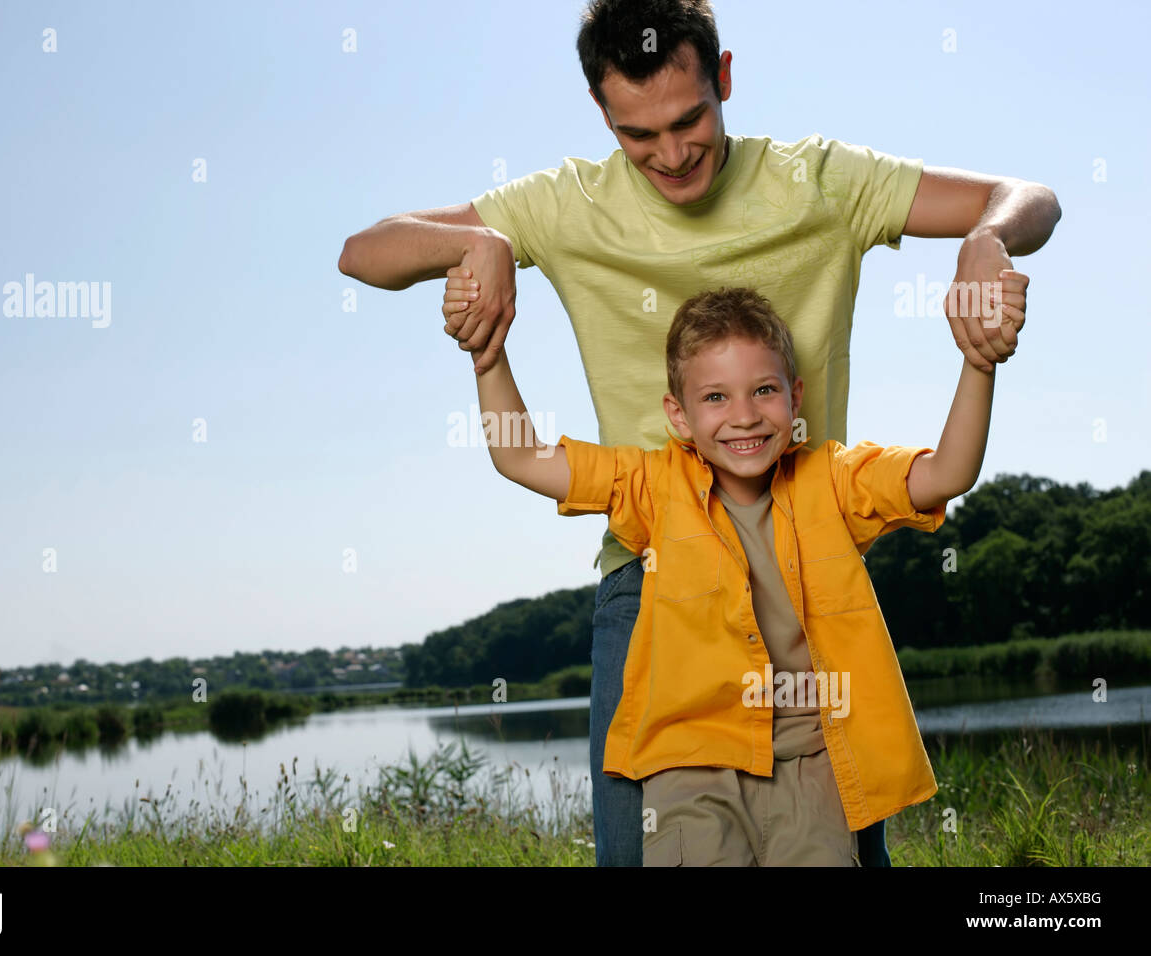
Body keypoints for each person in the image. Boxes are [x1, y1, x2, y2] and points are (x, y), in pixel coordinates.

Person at [338, 0, 1060, 865]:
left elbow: (1031, 199)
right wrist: (482, 242)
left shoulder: (821, 180)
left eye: (690, 120)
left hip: (807, 572)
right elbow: (364, 252)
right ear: (602, 115)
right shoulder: (564, 204)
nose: (673, 156)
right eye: (638, 135)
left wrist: (987, 235)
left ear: (723, 79)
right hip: (652, 584)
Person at [448, 279, 1026, 865]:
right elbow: (520, 456)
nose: (744, 417)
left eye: (764, 390)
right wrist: (488, 356)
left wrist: (979, 364)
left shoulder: (835, 478)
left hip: (812, 765)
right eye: (716, 398)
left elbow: (948, 473)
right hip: (690, 768)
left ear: (795, 397)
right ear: (678, 415)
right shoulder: (652, 486)